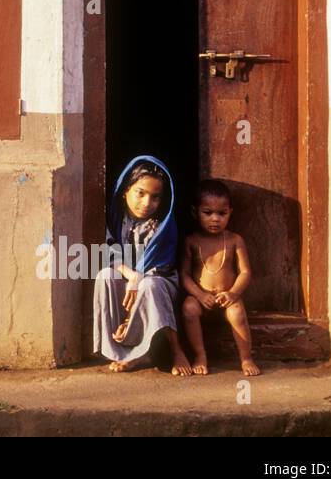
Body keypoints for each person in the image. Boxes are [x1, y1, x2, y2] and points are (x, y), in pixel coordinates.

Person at [93, 155, 193, 375]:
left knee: (150, 285)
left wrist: (138, 281)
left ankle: (174, 350)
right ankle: (123, 352)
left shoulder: (163, 225)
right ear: (126, 189)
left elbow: (160, 266)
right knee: (105, 276)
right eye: (141, 193)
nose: (147, 203)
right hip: (131, 281)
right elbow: (107, 249)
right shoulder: (114, 217)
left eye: (155, 197)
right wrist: (131, 275)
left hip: (158, 284)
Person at [180, 179, 261, 376]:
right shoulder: (191, 241)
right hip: (201, 299)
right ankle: (200, 355)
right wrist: (199, 295)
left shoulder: (234, 240)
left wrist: (233, 293)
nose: (215, 219)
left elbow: (245, 272)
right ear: (195, 212)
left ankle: (246, 357)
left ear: (230, 213)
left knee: (237, 314)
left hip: (227, 297)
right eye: (207, 213)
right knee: (188, 308)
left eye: (222, 213)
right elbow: (184, 275)